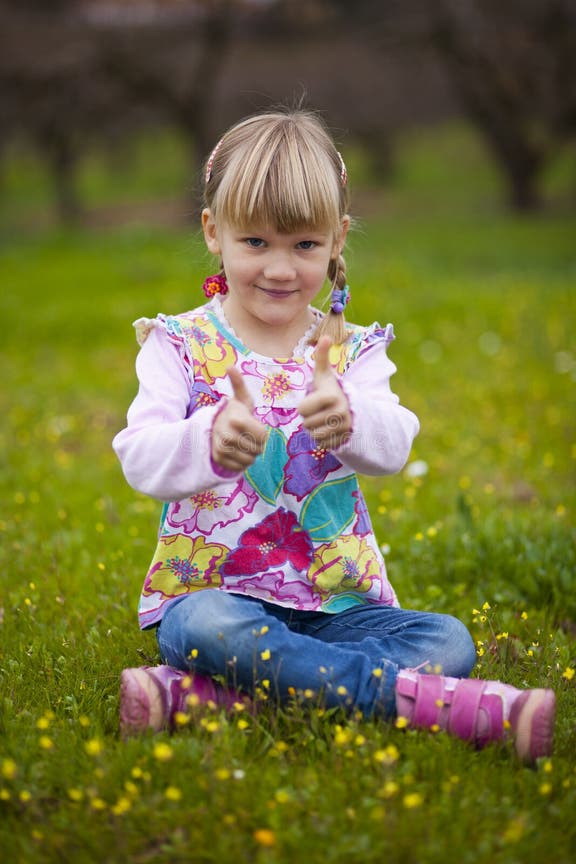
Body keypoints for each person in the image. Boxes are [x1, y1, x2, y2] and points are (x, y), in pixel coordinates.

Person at [113, 109, 555, 762]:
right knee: (210, 626)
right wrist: (205, 441)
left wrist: (349, 418)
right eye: (255, 243)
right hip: (215, 596)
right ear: (214, 232)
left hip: (339, 608)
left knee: (449, 641)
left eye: (305, 246)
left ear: (337, 238)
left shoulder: (351, 354)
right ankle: (441, 706)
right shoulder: (179, 345)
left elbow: (395, 443)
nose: (281, 269)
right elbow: (138, 456)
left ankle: (206, 697)